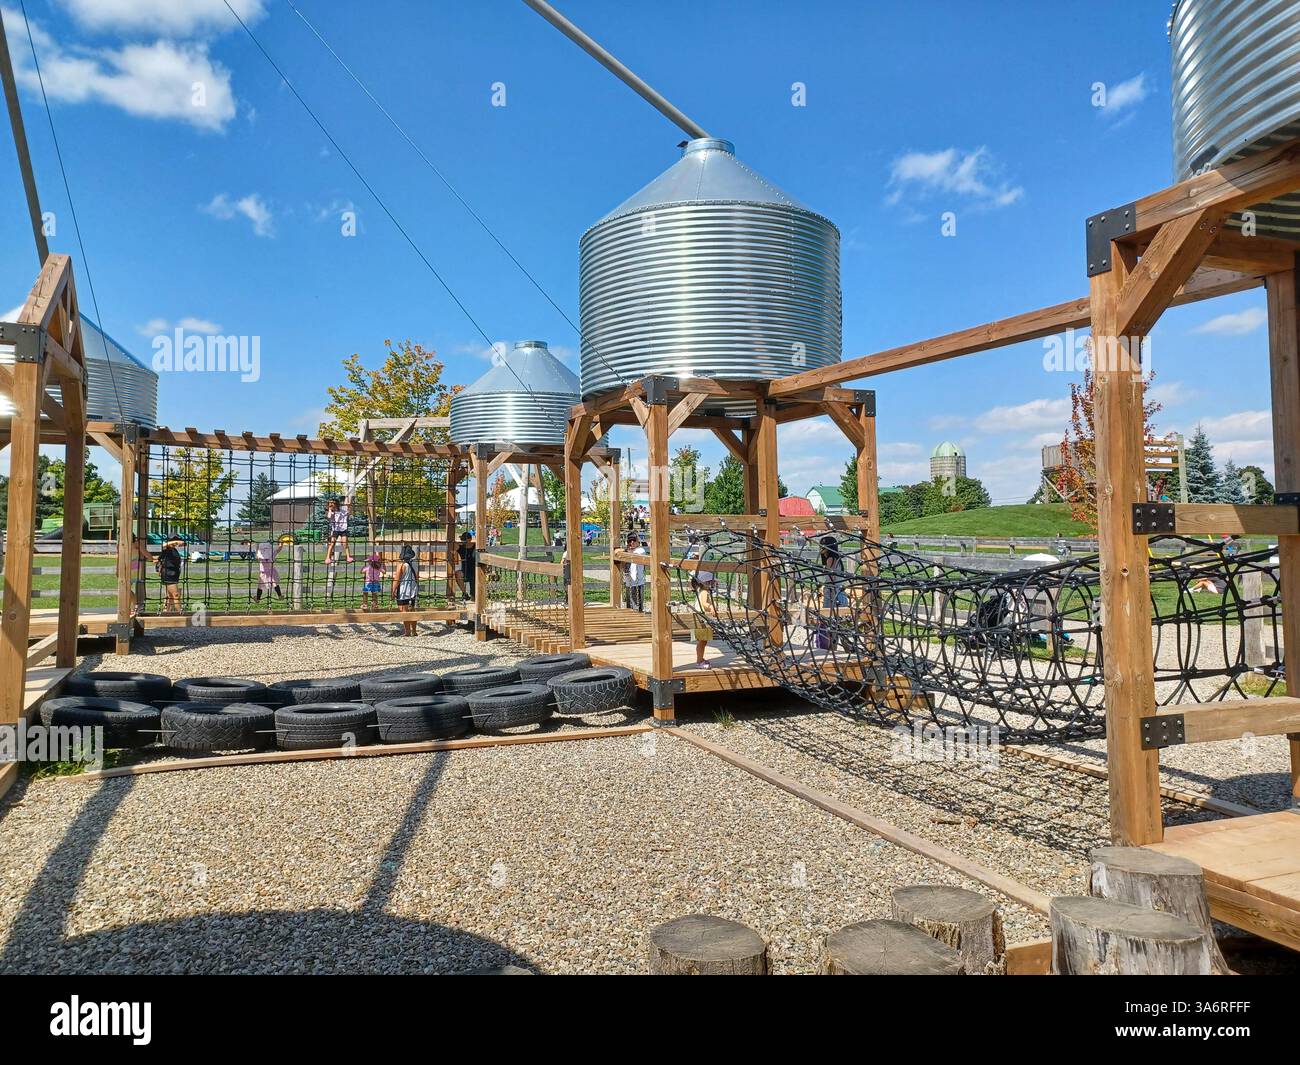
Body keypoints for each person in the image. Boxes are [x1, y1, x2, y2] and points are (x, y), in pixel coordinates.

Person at [684, 534, 716, 668]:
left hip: (702, 618)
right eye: (711, 582)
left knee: (703, 641)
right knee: (702, 641)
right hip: (701, 619)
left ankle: (700, 659)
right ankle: (699, 660)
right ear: (706, 582)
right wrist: (711, 608)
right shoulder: (704, 591)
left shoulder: (704, 590)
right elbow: (704, 603)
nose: (713, 584)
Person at [391, 545, 419, 636]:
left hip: (403, 591)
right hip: (413, 590)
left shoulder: (401, 565)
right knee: (412, 610)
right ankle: (414, 631)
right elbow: (417, 578)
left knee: (404, 611)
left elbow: (397, 579)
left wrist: (393, 591)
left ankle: (407, 631)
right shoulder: (414, 565)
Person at [157, 535, 184, 615]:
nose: (176, 543)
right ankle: (180, 613)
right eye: (175, 541)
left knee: (170, 596)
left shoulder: (174, 549)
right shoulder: (166, 548)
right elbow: (163, 545)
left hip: (174, 574)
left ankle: (167, 612)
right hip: (168, 574)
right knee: (176, 595)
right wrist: (176, 542)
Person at [253, 539, 285, 604]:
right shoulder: (271, 555)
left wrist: (257, 546)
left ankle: (258, 599)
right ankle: (280, 595)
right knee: (275, 584)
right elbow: (279, 549)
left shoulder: (260, 557)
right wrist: (281, 544)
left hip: (264, 573)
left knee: (260, 586)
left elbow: (257, 553)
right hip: (271, 572)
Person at [622, 531, 647, 612]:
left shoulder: (641, 550)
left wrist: (624, 551)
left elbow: (633, 554)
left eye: (633, 540)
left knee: (637, 606)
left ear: (637, 541)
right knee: (629, 606)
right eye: (629, 540)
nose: (632, 542)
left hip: (638, 583)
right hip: (628, 582)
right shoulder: (626, 551)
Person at [324, 498, 353, 565]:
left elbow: (349, 513)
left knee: (345, 543)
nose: (331, 505)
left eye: (332, 503)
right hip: (335, 530)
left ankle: (348, 557)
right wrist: (330, 510)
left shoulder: (342, 511)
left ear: (336, 504)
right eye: (330, 504)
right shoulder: (331, 512)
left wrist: (349, 506)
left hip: (343, 529)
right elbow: (329, 517)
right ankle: (328, 557)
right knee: (332, 543)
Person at [459, 530, 476, 601]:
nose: (463, 541)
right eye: (462, 539)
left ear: (470, 539)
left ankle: (473, 596)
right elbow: (453, 546)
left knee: (473, 577)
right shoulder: (461, 547)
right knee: (458, 574)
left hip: (475, 570)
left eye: (464, 539)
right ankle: (465, 593)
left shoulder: (476, 547)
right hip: (465, 571)